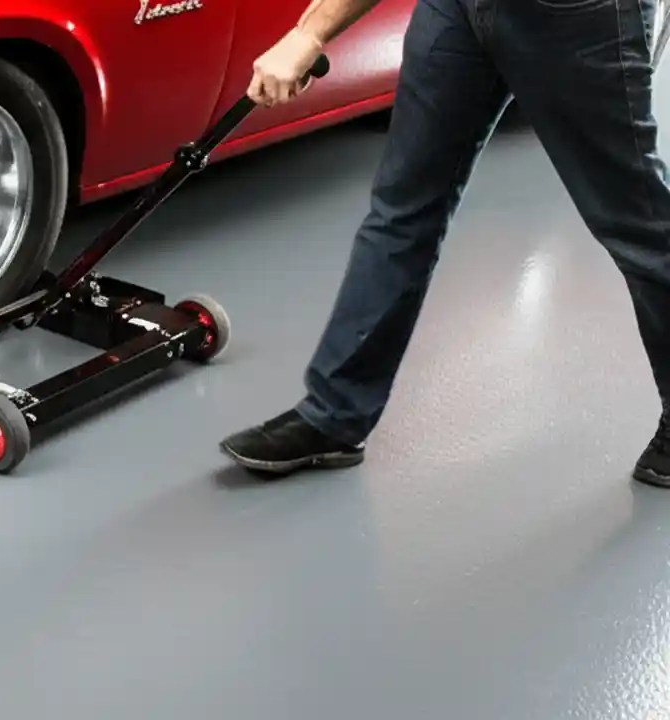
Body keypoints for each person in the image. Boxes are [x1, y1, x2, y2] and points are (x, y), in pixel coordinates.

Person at [220, 0, 670, 488]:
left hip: (579, 17)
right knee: (402, 207)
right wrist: (308, 34)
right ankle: (335, 414)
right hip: (460, 10)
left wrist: (310, 36)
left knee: (637, 225)